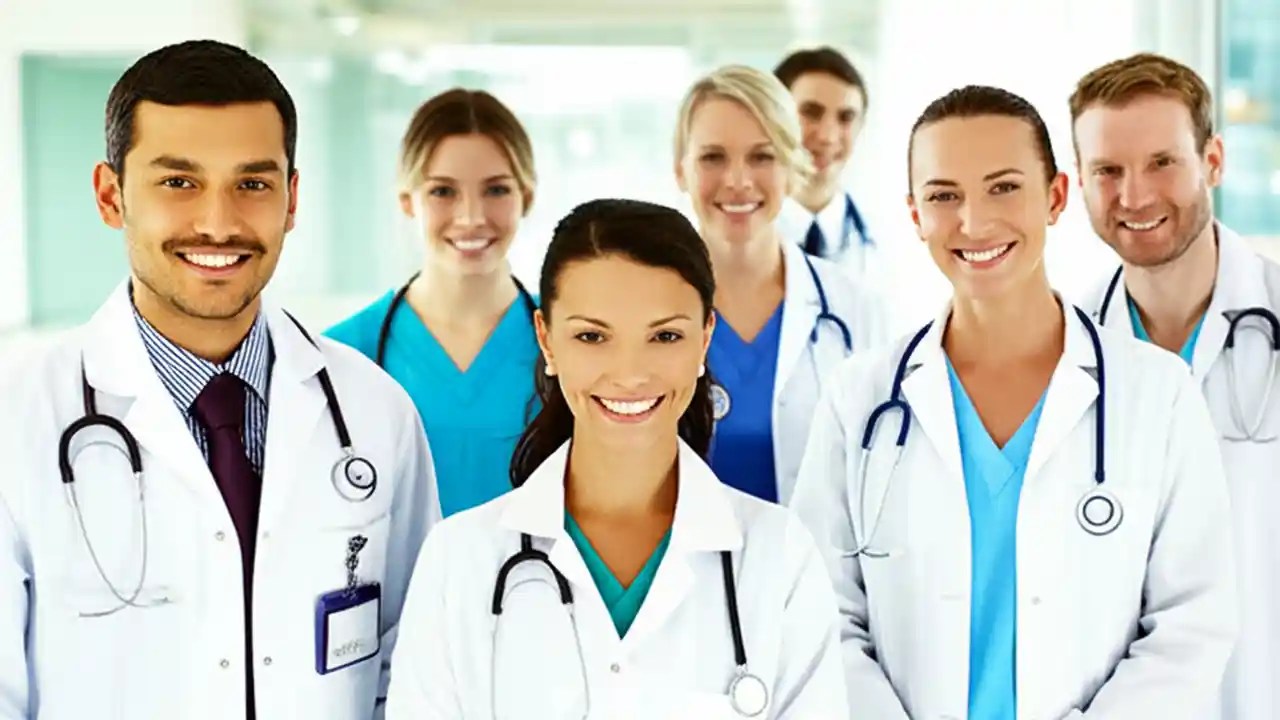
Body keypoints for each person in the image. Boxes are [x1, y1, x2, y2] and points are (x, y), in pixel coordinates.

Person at [0, 40, 440, 719]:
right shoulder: (20, 422)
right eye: (178, 182)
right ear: (111, 195)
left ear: (292, 199)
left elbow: (416, 670)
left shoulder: (375, 412)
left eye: (252, 183)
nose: (218, 221)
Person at [791, 84, 1237, 719]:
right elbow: (820, 615)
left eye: (1003, 187)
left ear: (1055, 197)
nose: (974, 222)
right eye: (945, 196)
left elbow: (1192, 624)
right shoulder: (858, 400)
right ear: (915, 214)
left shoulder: (1157, 394)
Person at [384, 199, 848, 719]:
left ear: (705, 340)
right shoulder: (460, 561)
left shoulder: (778, 556)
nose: (629, 373)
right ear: (547, 340)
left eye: (665, 336)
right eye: (592, 336)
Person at [1072, 52, 1280, 720]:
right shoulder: (1061, 353)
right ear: (1077, 182)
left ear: (1213, 162)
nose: (1134, 196)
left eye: (1163, 162)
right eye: (1108, 170)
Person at [672, 64, 886, 506]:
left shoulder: (854, 310)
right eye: (713, 157)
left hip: (816, 572)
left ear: (792, 168)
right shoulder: (645, 309)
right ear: (681, 171)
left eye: (762, 156)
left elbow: (883, 481)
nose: (737, 180)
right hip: (680, 571)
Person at [327, 88, 539, 518]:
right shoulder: (343, 354)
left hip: (534, 583)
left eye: (496, 190)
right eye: (443, 191)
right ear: (408, 201)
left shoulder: (572, 341)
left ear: (526, 198)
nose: (471, 217)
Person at [773, 47, 878, 283]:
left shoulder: (887, 249)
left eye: (846, 118)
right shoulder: (733, 240)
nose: (828, 136)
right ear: (773, 119)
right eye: (811, 113)